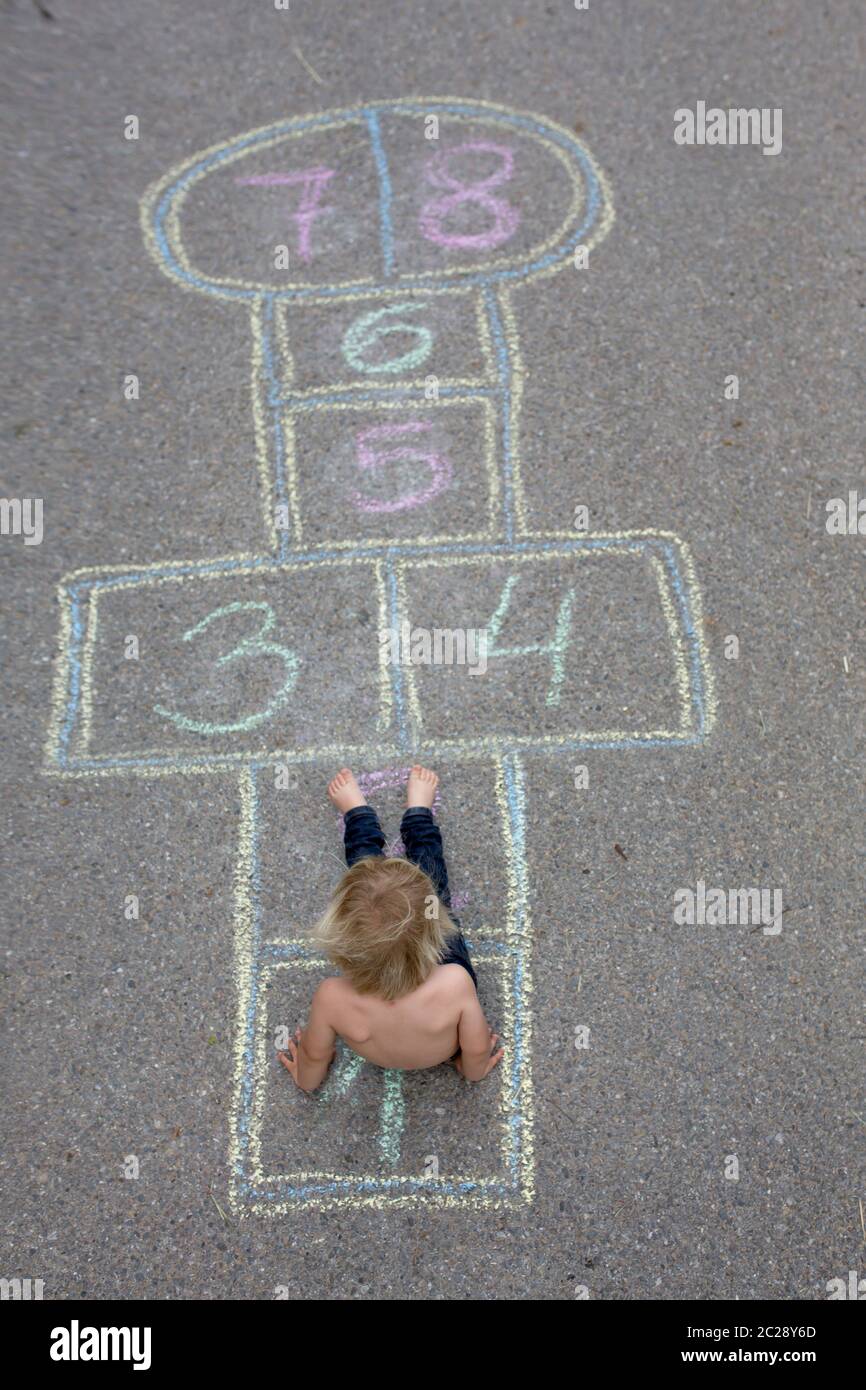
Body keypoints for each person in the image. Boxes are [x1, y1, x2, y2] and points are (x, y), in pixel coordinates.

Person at [277, 765, 504, 1092]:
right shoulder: (454, 983)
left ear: (344, 944)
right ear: (432, 938)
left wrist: (305, 1079)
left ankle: (358, 814)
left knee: (366, 887)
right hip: (431, 990)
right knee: (432, 887)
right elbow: (477, 1050)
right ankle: (417, 815)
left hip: (375, 1000)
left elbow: (314, 1055)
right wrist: (474, 1071)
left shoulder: (333, 998)